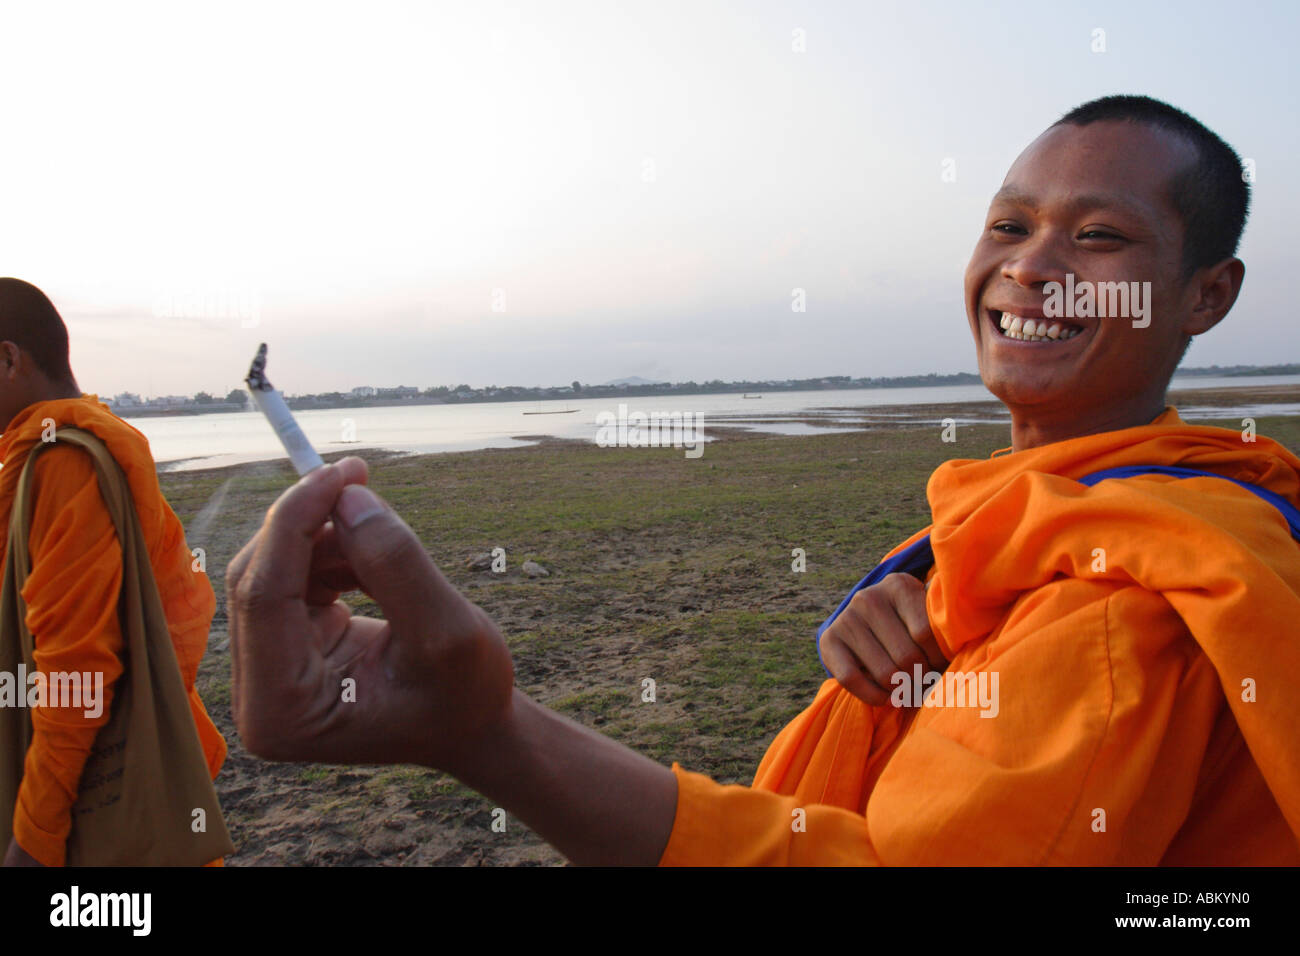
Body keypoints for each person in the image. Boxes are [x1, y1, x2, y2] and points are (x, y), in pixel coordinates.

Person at [226, 95, 1300, 865]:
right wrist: (927, 641)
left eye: (1099, 235)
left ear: (1205, 294)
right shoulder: (1038, 517)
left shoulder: (1126, 595)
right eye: (1009, 224)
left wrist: (482, 732)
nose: (1029, 264)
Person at [0, 279, 227, 867]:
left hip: (90, 813)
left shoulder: (64, 464)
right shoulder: (64, 450)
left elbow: (76, 671)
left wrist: (32, 842)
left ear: (8, 359)